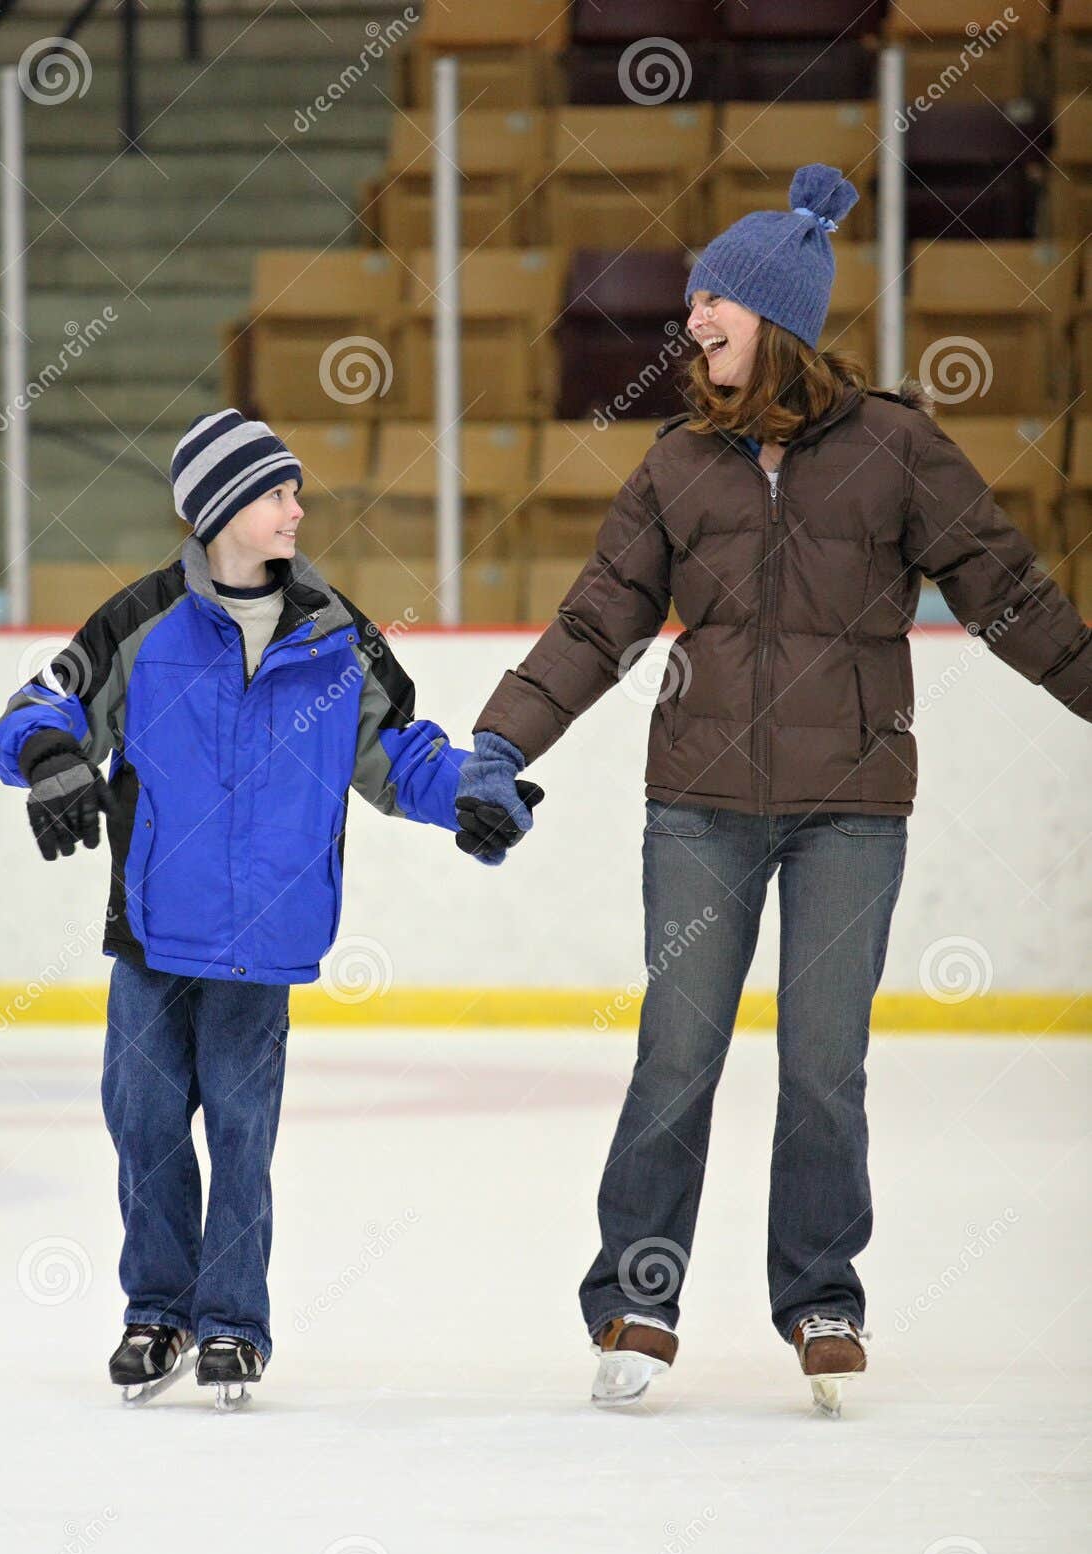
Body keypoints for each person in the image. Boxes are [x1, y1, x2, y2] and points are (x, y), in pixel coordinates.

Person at [457, 162, 1092, 1414]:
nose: (690, 323)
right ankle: (638, 1298)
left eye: (712, 303)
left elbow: (1005, 589)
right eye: (689, 303)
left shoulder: (900, 448)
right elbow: (597, 624)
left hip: (851, 807)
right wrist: (499, 743)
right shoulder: (679, 462)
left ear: (777, 316)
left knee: (823, 1064)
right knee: (676, 1056)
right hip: (697, 805)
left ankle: (820, 1298)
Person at [0, 410, 539, 1408]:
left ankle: (234, 1322)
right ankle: (157, 1309)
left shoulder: (336, 635)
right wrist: (51, 755)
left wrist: (467, 792)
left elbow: (398, 753)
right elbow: (41, 703)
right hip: (154, 932)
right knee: (145, 1120)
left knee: (242, 1128)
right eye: (276, 492)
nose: (296, 508)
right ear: (220, 510)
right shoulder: (143, 620)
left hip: (267, 938)